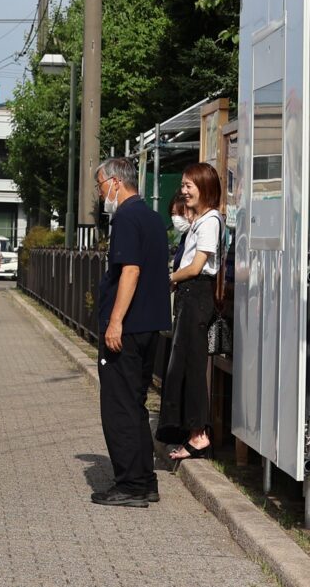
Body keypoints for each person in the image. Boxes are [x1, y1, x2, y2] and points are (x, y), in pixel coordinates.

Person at [91, 157, 171, 507]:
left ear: (114, 183)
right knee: (136, 404)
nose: (100, 194)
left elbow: (130, 271)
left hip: (128, 327)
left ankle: (130, 485)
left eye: (99, 186)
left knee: (119, 406)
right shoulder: (153, 217)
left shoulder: (124, 217)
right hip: (151, 323)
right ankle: (145, 479)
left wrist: (115, 321)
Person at [158, 163, 224, 460]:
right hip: (189, 295)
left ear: (205, 187)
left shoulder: (210, 221)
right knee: (181, 366)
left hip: (197, 296)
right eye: (182, 186)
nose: (183, 191)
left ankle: (199, 435)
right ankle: (190, 431)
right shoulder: (200, 220)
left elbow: (197, 267)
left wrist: (169, 279)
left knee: (192, 368)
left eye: (189, 186)